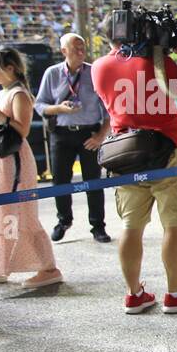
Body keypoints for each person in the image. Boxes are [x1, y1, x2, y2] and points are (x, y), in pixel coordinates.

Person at [92, 28, 177, 313]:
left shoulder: (99, 67)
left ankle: (134, 294)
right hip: (166, 150)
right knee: (174, 225)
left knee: (131, 226)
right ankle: (176, 294)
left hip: (124, 154)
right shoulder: (157, 63)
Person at [0, 47, 61, 288]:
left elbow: (22, 130)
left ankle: (49, 268)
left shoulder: (18, 94)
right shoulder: (2, 92)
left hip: (14, 162)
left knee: (21, 214)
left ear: (10, 68)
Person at [34, 33, 110, 243]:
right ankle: (63, 220)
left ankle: (98, 226)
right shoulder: (52, 73)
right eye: (75, 47)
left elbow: (108, 108)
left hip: (89, 134)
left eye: (82, 46)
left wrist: (101, 135)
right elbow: (39, 104)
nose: (80, 50)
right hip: (62, 134)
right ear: (63, 51)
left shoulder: (94, 72)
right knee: (60, 180)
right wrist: (57, 109)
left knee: (93, 181)